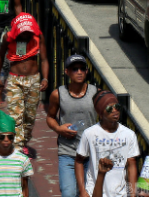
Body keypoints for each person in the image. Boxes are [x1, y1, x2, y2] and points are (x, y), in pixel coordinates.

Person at [0, 13, 49, 157]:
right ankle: (17, 149)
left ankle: (23, 141)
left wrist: (45, 79)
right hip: (14, 80)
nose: (26, 36)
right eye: (23, 33)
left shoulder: (38, 37)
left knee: (29, 116)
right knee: (15, 116)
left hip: (33, 80)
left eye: (28, 33)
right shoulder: (8, 37)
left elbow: (43, 59)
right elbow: (0, 56)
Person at [46, 54, 98, 197]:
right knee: (69, 193)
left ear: (87, 72)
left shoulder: (96, 93)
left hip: (91, 154)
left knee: (89, 193)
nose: (79, 72)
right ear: (67, 72)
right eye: (75, 69)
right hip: (68, 153)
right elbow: (50, 117)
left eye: (82, 69)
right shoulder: (58, 94)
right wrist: (58, 128)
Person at [76, 91, 139, 197]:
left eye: (117, 107)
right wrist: (82, 190)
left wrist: (132, 194)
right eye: (110, 109)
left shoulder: (129, 135)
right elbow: (78, 161)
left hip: (120, 194)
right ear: (100, 113)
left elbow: (131, 165)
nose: (115, 111)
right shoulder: (89, 134)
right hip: (94, 192)